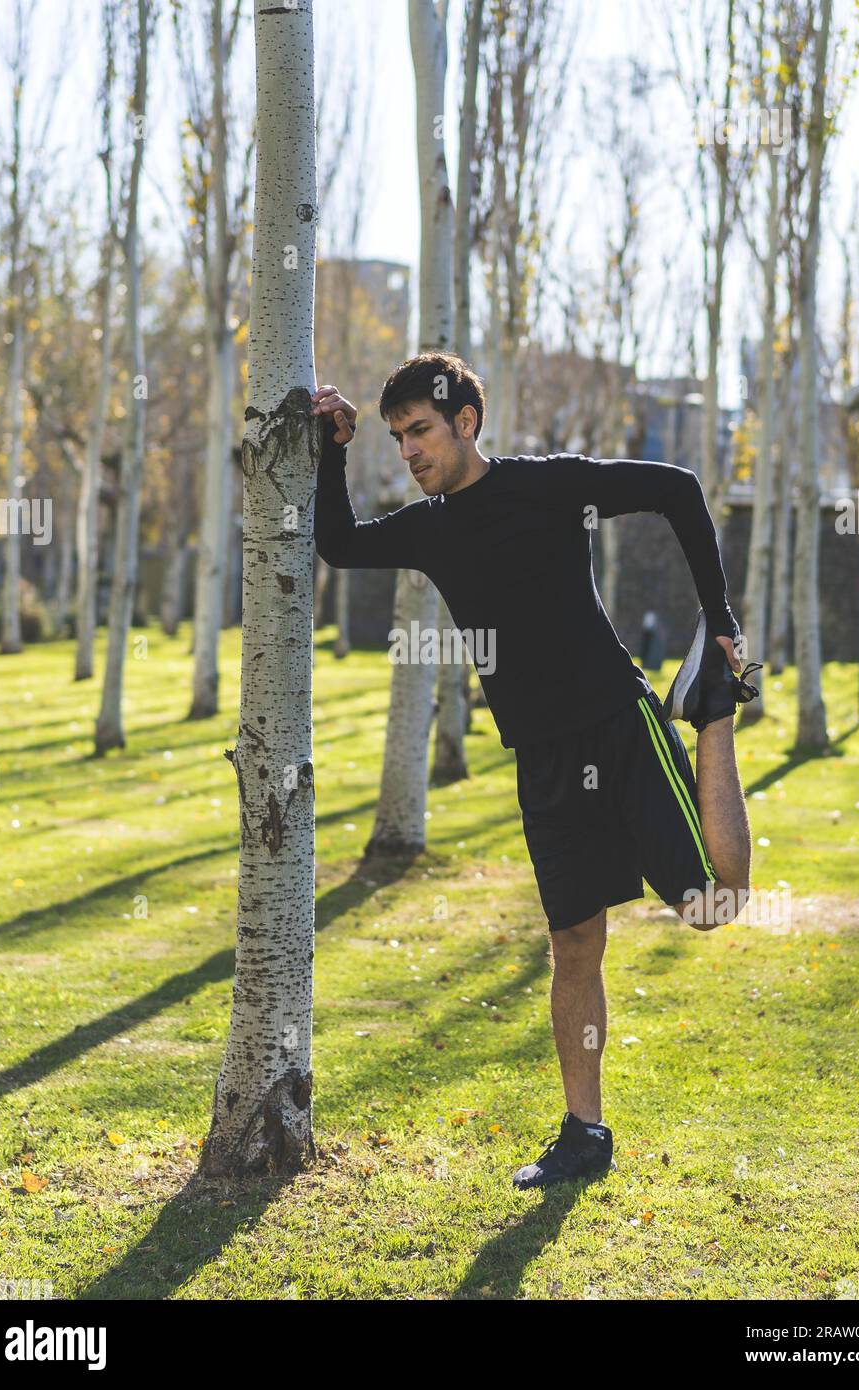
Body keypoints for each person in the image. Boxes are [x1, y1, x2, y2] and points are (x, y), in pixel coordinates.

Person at [312, 352, 762, 1191]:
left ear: (465, 422)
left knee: (713, 905)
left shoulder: (550, 486)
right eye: (395, 438)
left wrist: (718, 616)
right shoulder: (428, 526)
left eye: (419, 432)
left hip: (617, 725)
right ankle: (583, 1132)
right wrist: (331, 445)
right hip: (543, 758)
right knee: (573, 943)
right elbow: (335, 546)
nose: (407, 452)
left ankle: (714, 714)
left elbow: (679, 487)